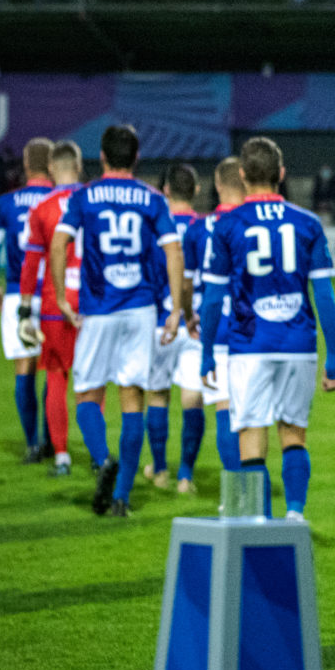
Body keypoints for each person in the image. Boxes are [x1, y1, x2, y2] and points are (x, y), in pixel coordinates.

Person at [201, 138, 335, 522]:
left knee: (251, 432)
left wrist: (205, 355)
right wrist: (334, 357)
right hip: (298, 343)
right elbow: (325, 295)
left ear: (243, 175)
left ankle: (260, 522)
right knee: (293, 433)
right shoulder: (307, 223)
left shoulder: (228, 224)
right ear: (281, 174)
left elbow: (213, 299)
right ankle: (295, 515)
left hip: (249, 344)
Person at [50, 124, 185, 518]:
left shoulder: (84, 196)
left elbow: (59, 244)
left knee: (87, 395)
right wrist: (175, 308)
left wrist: (61, 295)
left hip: (99, 308)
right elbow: (173, 252)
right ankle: (122, 496)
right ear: (136, 158)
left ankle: (102, 460)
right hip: (141, 309)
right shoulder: (152, 198)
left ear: (102, 157)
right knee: (132, 400)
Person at [0, 138, 57, 463]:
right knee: (53, 370)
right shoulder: (63, 200)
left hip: (19, 294)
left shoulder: (5, 203)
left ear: (26, 165)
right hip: (54, 296)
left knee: (24, 370)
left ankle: (31, 444)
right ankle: (52, 441)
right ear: (53, 165)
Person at [18, 141, 86, 476]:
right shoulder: (94, 200)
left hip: (54, 303)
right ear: (79, 166)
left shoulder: (42, 208)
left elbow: (31, 263)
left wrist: (24, 309)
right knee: (91, 381)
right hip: (93, 301)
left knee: (57, 378)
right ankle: (98, 453)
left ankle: (61, 456)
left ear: (50, 168)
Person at [143, 164, 204, 491]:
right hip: (194, 324)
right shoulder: (204, 227)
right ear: (195, 190)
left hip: (160, 322)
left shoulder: (156, 230)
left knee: (158, 394)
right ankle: (185, 476)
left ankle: (160, 470)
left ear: (165, 190)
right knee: (192, 397)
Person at [188, 157, 247, 475]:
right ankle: (256, 501)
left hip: (216, 330)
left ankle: (237, 496)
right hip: (255, 333)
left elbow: (192, 284)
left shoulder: (200, 228)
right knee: (251, 421)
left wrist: (186, 317)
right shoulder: (256, 225)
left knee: (224, 411)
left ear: (218, 185)